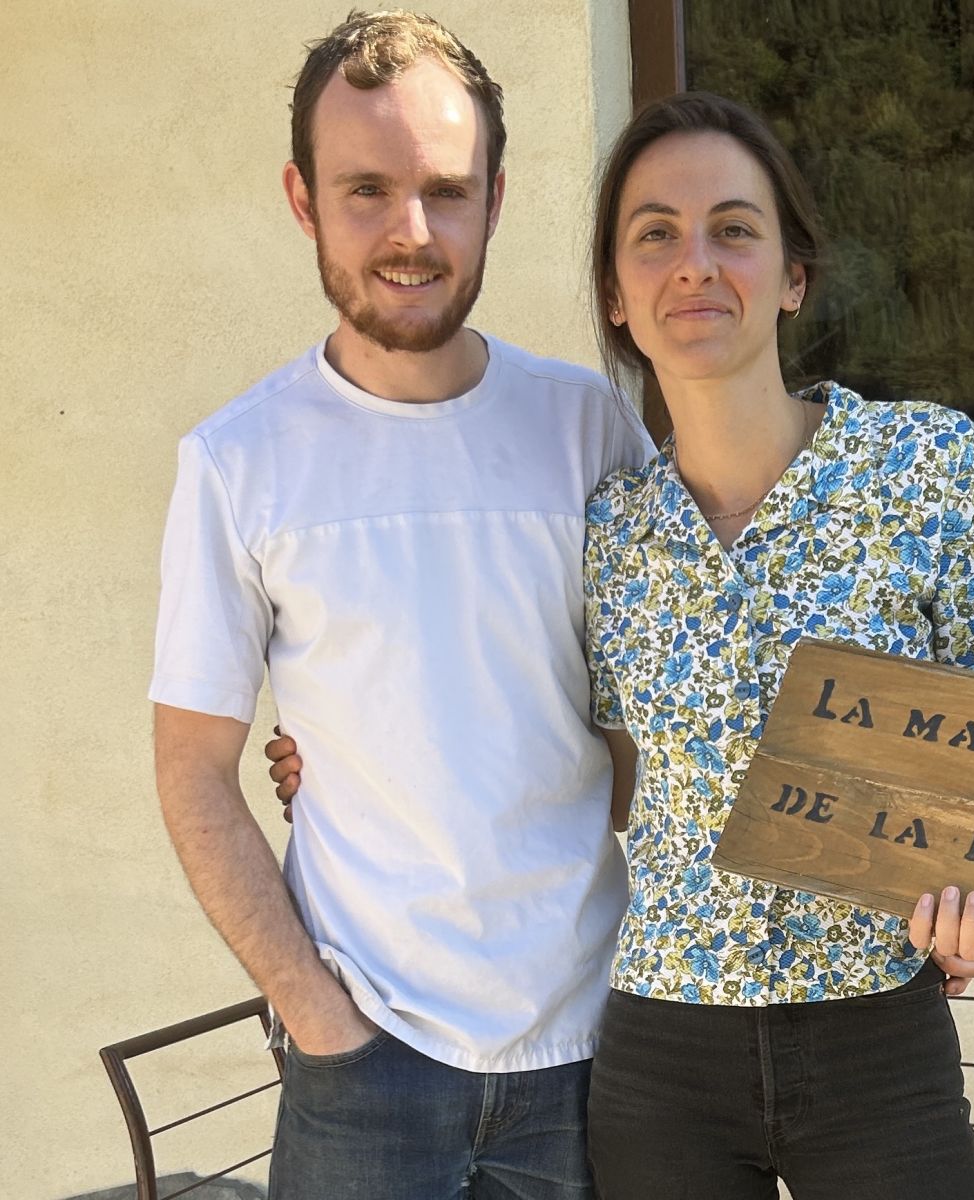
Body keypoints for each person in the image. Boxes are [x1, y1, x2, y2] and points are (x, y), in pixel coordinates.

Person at [149, 12, 654, 1198]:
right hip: (365, 1065)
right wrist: (317, 1019)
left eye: (445, 189)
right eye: (365, 189)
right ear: (302, 196)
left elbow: (661, 727)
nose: (410, 232)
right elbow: (189, 773)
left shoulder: (587, 430)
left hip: (594, 1050)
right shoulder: (240, 462)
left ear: (496, 197)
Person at [579, 92, 974, 1199]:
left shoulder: (925, 465)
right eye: (656, 234)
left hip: (875, 1032)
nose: (695, 262)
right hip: (660, 1052)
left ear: (792, 276)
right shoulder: (603, 528)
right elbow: (564, 754)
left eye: (734, 228)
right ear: (617, 294)